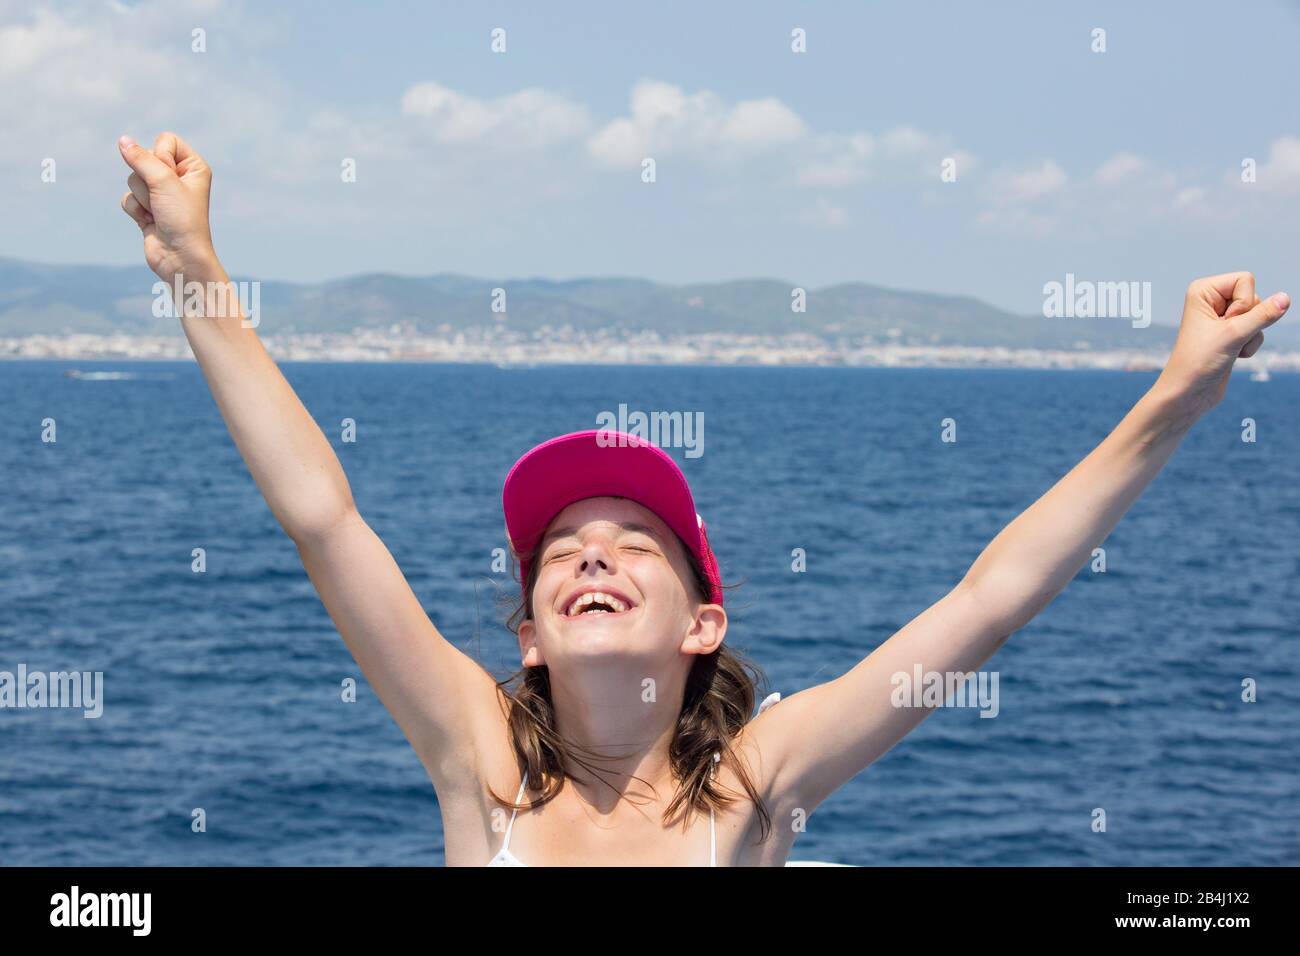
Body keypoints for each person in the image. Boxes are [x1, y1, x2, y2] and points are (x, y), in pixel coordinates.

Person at [116, 131, 1290, 866]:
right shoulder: (475, 757)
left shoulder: (758, 776)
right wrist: (200, 277)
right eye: (561, 550)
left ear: (701, 624)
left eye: (633, 543)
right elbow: (325, 517)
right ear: (526, 634)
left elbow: (991, 598)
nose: (589, 556)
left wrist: (1180, 393)